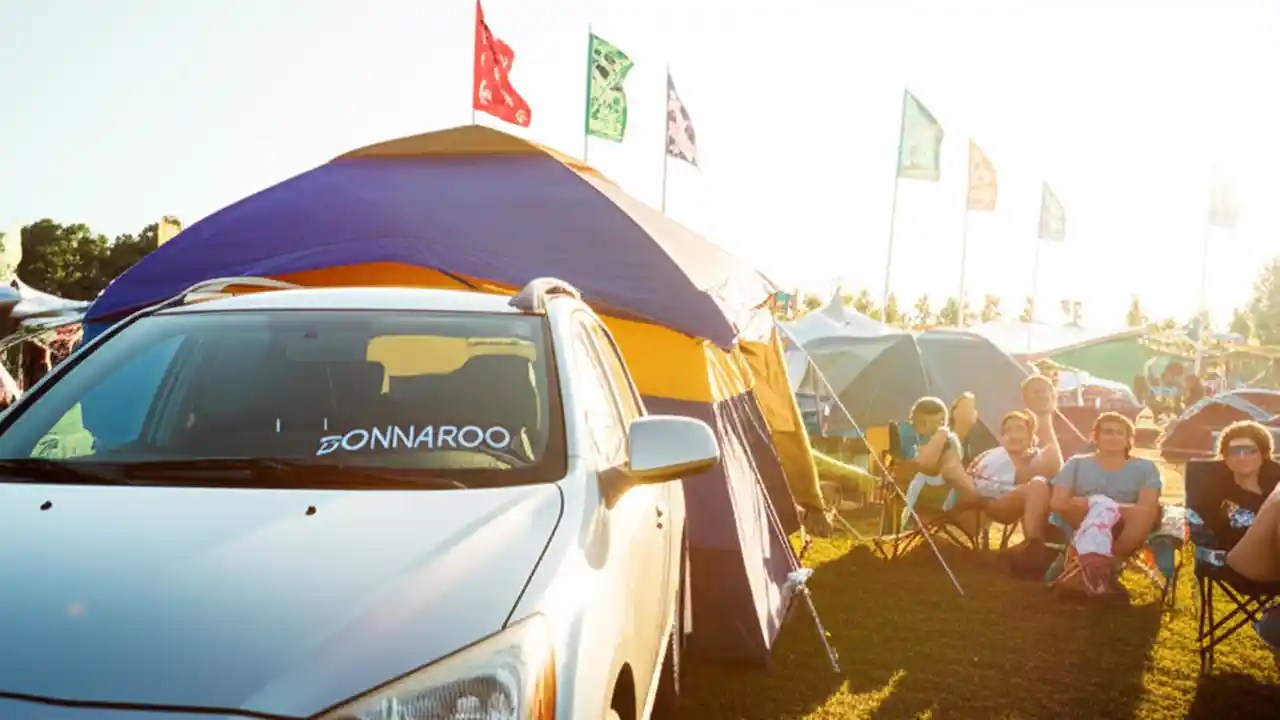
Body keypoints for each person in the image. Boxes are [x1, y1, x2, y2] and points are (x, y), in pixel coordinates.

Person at [1032, 413, 1162, 591]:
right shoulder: (1077, 463)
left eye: (1119, 432)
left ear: (1128, 440)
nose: (1113, 436)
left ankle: (1107, 561)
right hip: (1081, 522)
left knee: (1142, 514)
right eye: (1107, 432)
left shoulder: (1145, 468)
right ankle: (1091, 563)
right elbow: (1058, 502)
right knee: (1079, 508)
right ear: (1095, 437)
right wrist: (1094, 512)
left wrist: (1099, 505)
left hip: (1123, 526)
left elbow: (1146, 508)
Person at [1192, 420, 1280, 669]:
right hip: (1238, 561)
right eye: (1234, 451)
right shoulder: (1212, 487)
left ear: (1264, 454)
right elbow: (1199, 529)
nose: (1241, 457)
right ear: (1224, 456)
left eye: (1249, 450)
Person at [894, 396, 985, 508]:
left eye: (941, 422)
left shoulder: (948, 439)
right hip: (923, 488)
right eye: (931, 422)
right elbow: (923, 463)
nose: (936, 426)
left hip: (942, 488)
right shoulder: (907, 435)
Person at [949, 391, 979, 465]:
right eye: (964, 407)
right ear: (954, 412)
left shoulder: (977, 443)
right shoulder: (946, 439)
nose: (968, 412)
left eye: (971, 408)